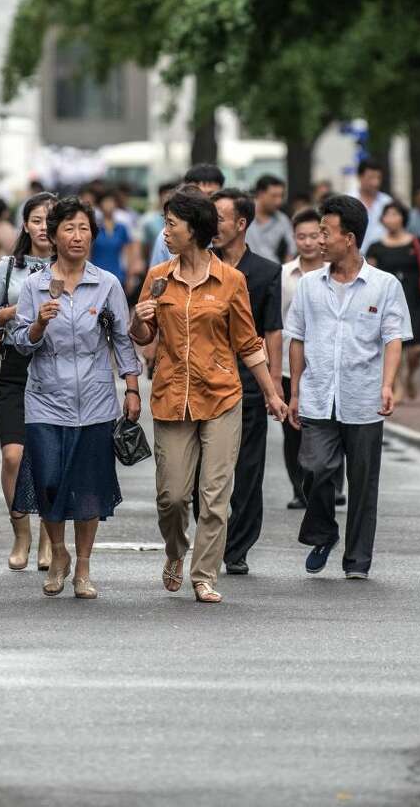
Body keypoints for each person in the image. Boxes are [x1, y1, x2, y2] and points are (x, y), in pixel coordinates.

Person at [131, 187, 286, 604]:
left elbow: (249, 342)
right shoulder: (158, 278)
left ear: (194, 230)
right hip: (171, 397)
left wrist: (272, 392)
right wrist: (139, 320)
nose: (165, 232)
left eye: (171, 225)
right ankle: (174, 551)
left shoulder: (231, 281)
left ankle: (204, 574)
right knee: (173, 496)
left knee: (215, 496)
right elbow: (144, 339)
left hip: (221, 396)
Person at [9, 196, 142, 598]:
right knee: (48, 482)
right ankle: (59, 551)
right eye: (70, 228)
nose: (78, 236)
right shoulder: (34, 285)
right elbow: (17, 342)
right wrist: (36, 327)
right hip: (46, 399)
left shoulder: (107, 284)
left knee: (88, 487)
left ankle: (83, 567)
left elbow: (121, 338)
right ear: (52, 236)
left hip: (96, 399)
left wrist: (132, 386)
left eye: (85, 229)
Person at [286, 194, 410, 579]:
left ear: (349, 238)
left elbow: (393, 338)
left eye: (326, 232)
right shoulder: (309, 285)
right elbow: (297, 337)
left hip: (363, 397)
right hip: (318, 395)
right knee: (315, 466)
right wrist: (293, 392)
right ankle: (323, 531)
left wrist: (388, 386)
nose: (319, 239)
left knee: (362, 485)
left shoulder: (384, 285)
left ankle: (357, 561)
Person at [212, 188, 286, 576]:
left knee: (248, 467)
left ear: (241, 224)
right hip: (206, 380)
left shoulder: (265, 272)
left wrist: (273, 386)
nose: (213, 226)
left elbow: (272, 330)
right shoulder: (198, 268)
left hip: (249, 382)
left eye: (220, 218)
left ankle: (237, 547)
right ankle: (212, 533)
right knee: (201, 472)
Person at [0, 192, 56, 572]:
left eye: (50, 220)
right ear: (25, 225)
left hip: (55, 367)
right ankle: (21, 532)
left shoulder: (70, 266)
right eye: (36, 220)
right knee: (13, 456)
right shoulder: (9, 268)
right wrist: (22, 310)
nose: (44, 227)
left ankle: (49, 533)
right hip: (14, 366)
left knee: (49, 458)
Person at [279, 208, 327, 509]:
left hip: (326, 364)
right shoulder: (283, 275)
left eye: (314, 236)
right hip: (288, 364)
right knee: (293, 430)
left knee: (329, 427)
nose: (308, 242)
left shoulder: (335, 272)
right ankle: (299, 488)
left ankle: (330, 485)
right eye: (301, 237)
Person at [367, 202, 420, 402]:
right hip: (388, 298)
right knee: (393, 342)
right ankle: (396, 386)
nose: (392, 219)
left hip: (416, 297)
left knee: (417, 347)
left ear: (403, 218)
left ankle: (410, 376)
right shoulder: (376, 246)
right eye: (387, 215)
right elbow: (370, 273)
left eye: (396, 214)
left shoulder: (416, 242)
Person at [146, 164, 225, 266]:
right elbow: (155, 278)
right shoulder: (166, 237)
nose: (205, 202)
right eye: (198, 195)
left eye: (211, 195)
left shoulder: (230, 233)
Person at [91, 187, 138, 295]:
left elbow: (128, 253)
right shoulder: (94, 228)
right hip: (96, 276)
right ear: (100, 205)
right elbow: (87, 254)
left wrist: (130, 277)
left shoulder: (122, 228)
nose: (109, 205)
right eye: (106, 202)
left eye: (111, 201)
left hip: (117, 275)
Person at [246, 174, 296, 264]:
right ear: (260, 194)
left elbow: (292, 248)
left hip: (272, 271)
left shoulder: (282, 220)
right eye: (274, 196)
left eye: (281, 196)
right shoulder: (243, 215)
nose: (279, 201)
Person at [353, 160, 394, 253]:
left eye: (378, 178)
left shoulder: (387, 202)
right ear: (360, 177)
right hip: (355, 256)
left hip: (382, 256)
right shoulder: (349, 200)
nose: (375, 183)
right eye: (371, 178)